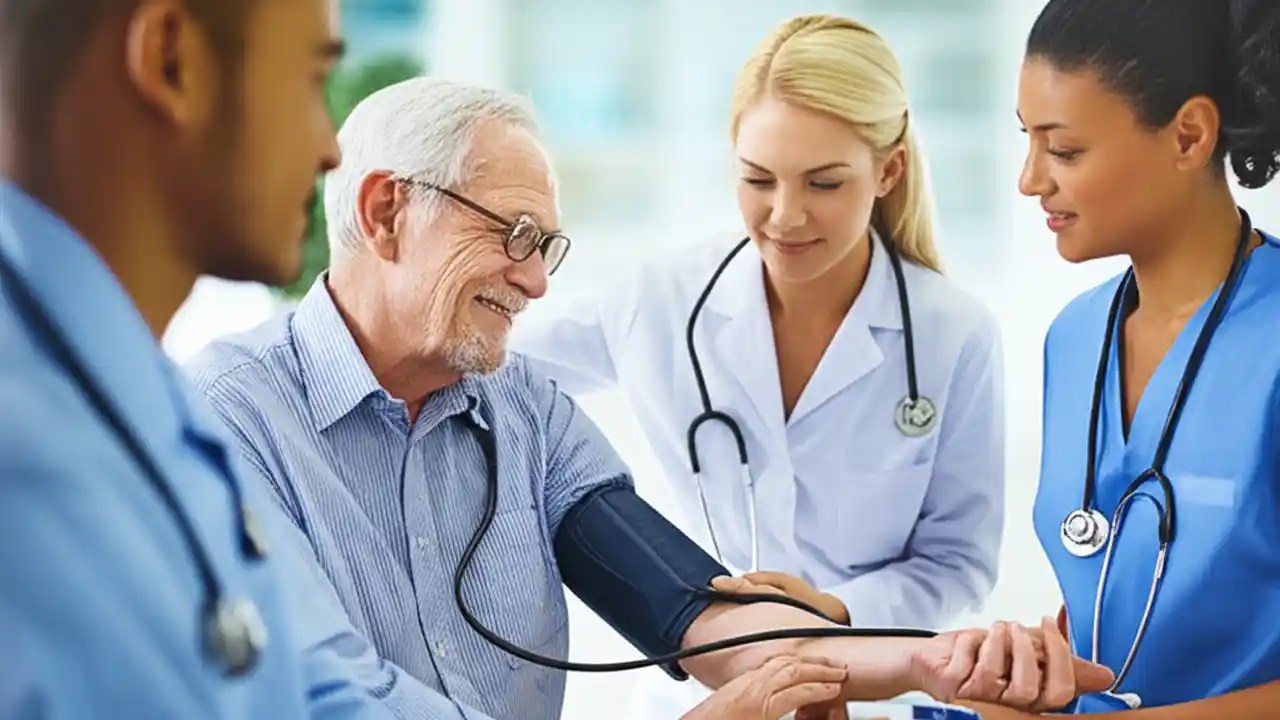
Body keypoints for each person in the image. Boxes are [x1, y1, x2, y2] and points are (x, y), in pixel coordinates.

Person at [185, 76, 1109, 720]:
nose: (536, 283)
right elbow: (326, 695)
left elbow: (693, 610)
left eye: (547, 247)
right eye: (514, 234)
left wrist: (937, 661)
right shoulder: (228, 421)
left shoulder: (526, 411)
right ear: (386, 211)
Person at [509, 14, 1005, 717]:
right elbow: (486, 359)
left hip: (869, 688)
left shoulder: (953, 335)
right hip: (705, 693)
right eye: (758, 179)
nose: (785, 215)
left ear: (888, 169)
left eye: (824, 183)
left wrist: (831, 612)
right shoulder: (662, 301)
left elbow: (958, 561)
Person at [0, 0, 410, 716]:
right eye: (313, 83)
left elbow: (305, 693)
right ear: (172, 60)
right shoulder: (31, 467)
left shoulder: (144, 393)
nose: (331, 150)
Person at [965, 0, 1280, 717]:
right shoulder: (1074, 338)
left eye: (1064, 150)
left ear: (1189, 135)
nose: (1029, 180)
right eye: (1027, 141)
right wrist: (1029, 674)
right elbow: (1118, 586)